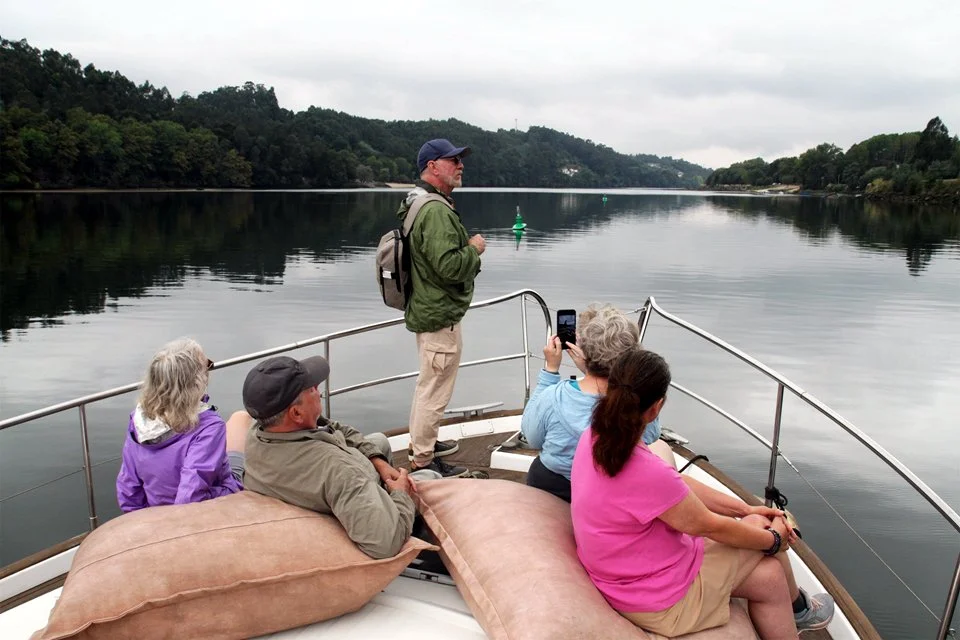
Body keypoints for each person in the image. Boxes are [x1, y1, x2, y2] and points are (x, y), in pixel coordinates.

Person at [570, 349, 835, 638]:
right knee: (768, 547)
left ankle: (797, 608)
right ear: (656, 408)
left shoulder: (597, 435)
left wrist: (746, 510)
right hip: (654, 600)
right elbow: (708, 524)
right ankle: (799, 609)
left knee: (766, 570)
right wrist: (773, 539)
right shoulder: (643, 470)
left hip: (625, 577)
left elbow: (671, 487)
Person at [240, 354, 439, 559]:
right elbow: (383, 544)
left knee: (379, 441)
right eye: (312, 389)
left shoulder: (259, 431)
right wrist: (400, 494)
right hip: (356, 495)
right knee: (430, 480)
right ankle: (413, 527)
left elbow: (335, 429)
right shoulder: (339, 470)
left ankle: (392, 493)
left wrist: (378, 461)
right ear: (296, 414)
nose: (319, 391)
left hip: (330, 482)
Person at [521, 304, 668, 502]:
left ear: (583, 349)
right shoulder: (637, 400)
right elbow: (651, 436)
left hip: (555, 488)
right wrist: (592, 371)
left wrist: (551, 370)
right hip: (607, 491)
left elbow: (532, 438)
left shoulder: (554, 397)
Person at [401, 138, 486, 478]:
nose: (460, 165)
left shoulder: (423, 203)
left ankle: (424, 442)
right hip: (438, 315)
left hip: (429, 310)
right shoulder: (435, 211)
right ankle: (423, 461)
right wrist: (474, 249)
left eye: (459, 160)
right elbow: (449, 267)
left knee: (428, 386)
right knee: (434, 392)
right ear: (433, 167)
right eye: (452, 160)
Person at [116, 338, 245, 512]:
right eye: (207, 367)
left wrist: (144, 522)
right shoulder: (209, 427)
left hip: (155, 511)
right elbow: (189, 499)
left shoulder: (139, 420)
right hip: (208, 508)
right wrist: (230, 490)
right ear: (196, 381)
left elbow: (128, 489)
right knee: (241, 419)